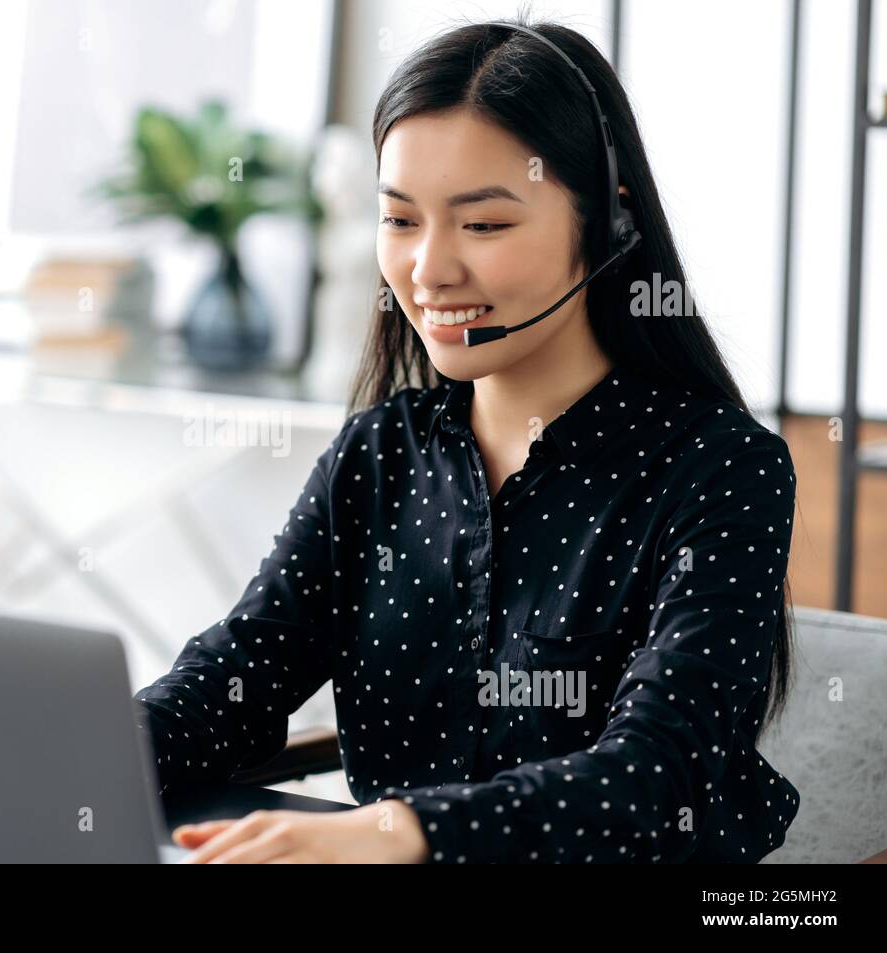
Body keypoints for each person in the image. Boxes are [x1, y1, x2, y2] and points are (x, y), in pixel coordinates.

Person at [133, 19, 800, 863]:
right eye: (401, 221)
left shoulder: (721, 466)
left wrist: (404, 830)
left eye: (482, 226)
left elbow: (653, 772)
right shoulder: (377, 458)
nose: (428, 269)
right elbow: (234, 681)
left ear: (607, 227)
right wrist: (65, 761)